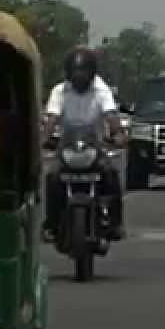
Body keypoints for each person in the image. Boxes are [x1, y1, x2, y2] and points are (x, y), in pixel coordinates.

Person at [41, 47, 128, 242]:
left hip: (94, 145)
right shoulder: (59, 90)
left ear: (92, 72)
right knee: (53, 177)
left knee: (111, 175)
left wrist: (118, 133)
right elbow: (52, 118)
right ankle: (52, 224)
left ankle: (115, 223)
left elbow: (111, 115)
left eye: (84, 71)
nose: (79, 76)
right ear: (68, 73)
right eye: (75, 71)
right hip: (67, 146)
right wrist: (44, 138)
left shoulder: (101, 89)